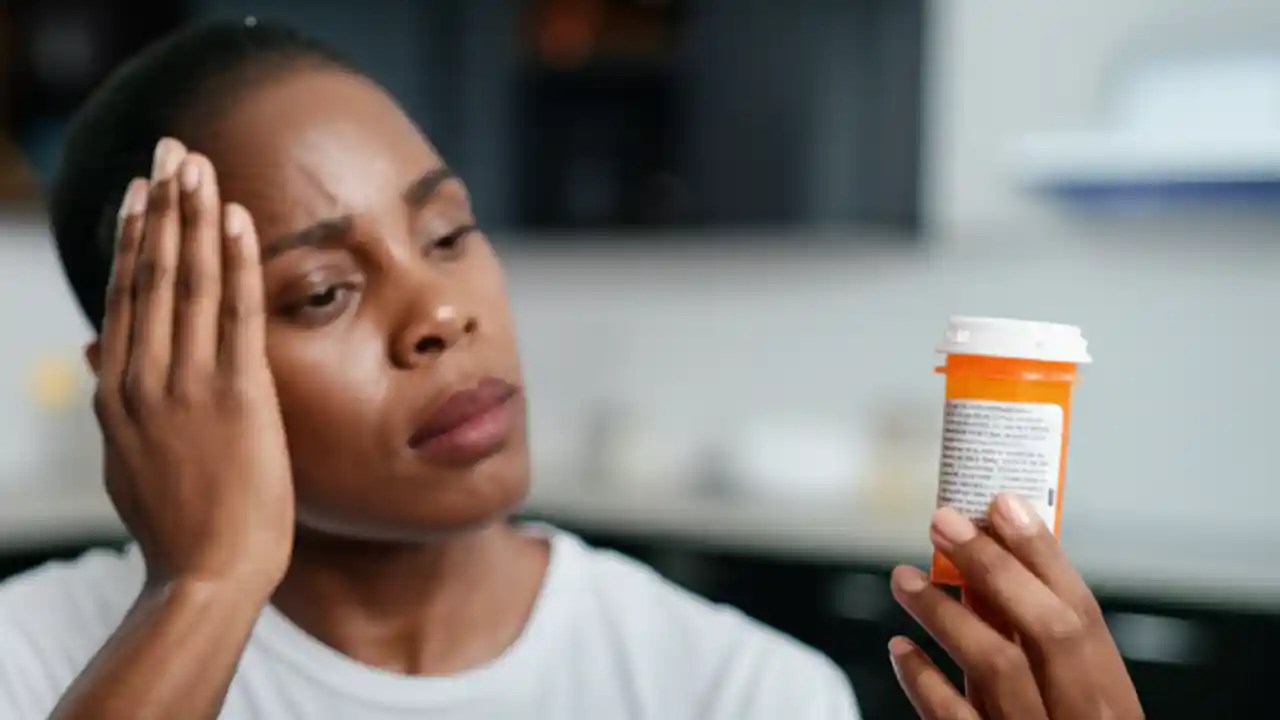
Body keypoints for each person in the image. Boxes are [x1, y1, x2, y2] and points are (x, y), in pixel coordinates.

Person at [0, 19, 1142, 720]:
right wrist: (201, 591)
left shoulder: (735, 693)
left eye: (448, 233)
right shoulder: (34, 658)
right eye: (321, 293)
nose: (440, 312)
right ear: (145, 375)